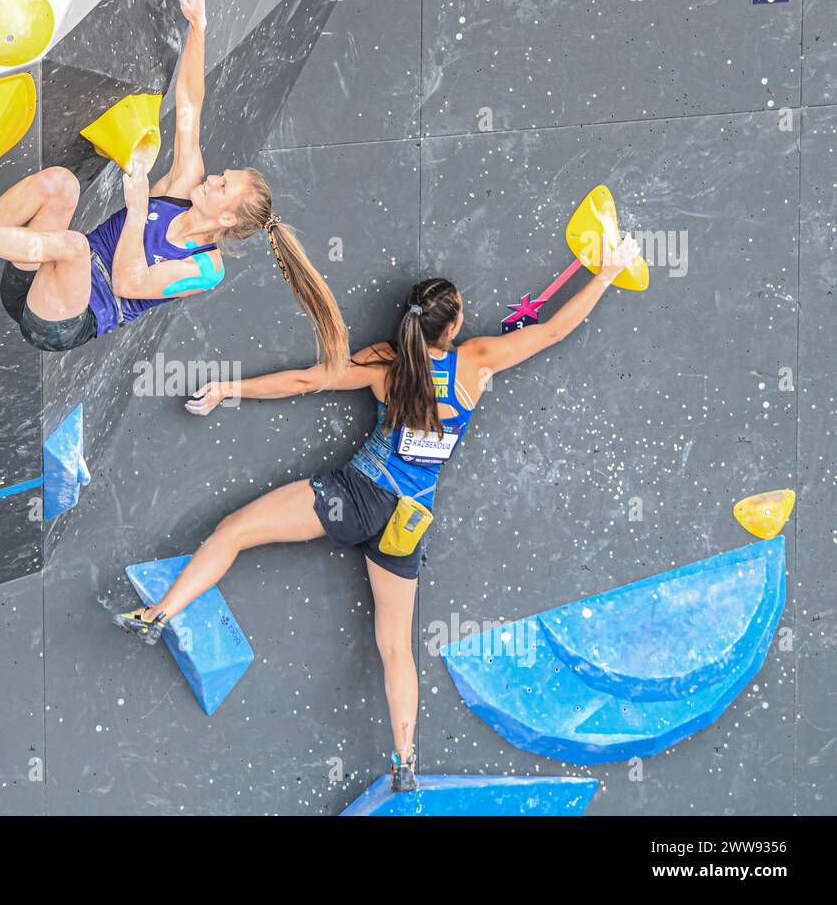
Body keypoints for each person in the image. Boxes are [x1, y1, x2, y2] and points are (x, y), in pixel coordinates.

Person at [114, 236, 642, 792]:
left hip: (356, 496)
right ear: (454, 325)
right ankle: (405, 762)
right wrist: (606, 272)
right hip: (406, 522)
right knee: (394, 646)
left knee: (234, 532)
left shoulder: (384, 362)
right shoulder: (479, 362)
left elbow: (305, 381)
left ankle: (159, 614)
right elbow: (554, 330)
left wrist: (229, 388)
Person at [0, 0, 347, 371]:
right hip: (34, 279)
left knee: (76, 246)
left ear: (228, 217)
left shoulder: (205, 268)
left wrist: (139, 211)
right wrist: (198, 27)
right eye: (222, 176)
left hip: (59, 321)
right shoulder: (184, 183)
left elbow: (126, 283)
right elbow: (190, 104)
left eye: (222, 187)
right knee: (60, 184)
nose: (213, 178)